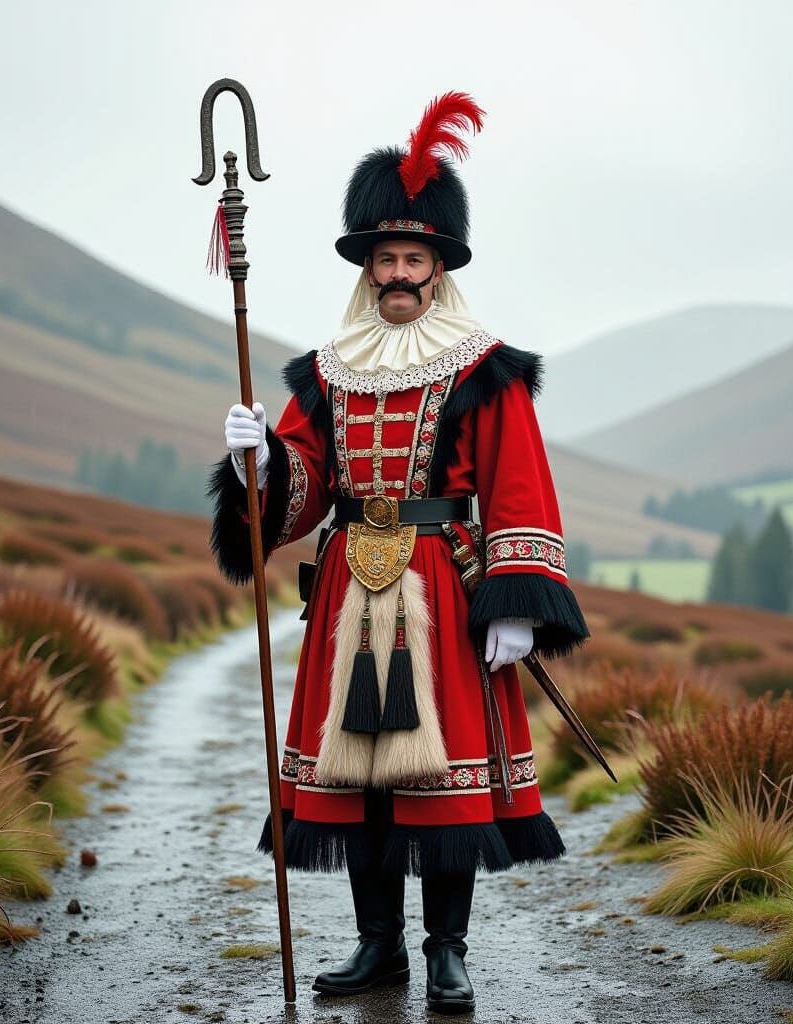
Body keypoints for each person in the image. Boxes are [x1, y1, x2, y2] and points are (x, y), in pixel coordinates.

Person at [207, 91, 589, 1015]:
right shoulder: (327, 369)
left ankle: (445, 952)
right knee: (359, 775)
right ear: (368, 268)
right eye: (385, 259)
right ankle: (377, 950)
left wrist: (517, 606)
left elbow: (518, 486)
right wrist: (257, 458)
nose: (400, 273)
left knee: (436, 780)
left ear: (439, 266)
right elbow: (300, 487)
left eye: (415, 258)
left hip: (444, 585)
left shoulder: (481, 366)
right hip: (348, 584)